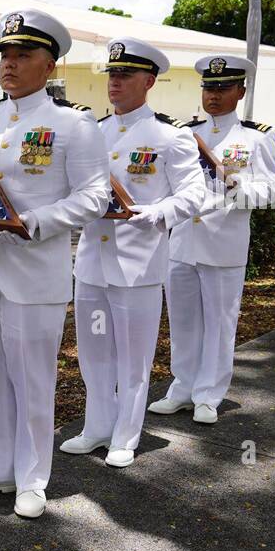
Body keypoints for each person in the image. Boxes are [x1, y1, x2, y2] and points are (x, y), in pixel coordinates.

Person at [0, 10, 109, 518]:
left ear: (50, 64)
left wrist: (35, 221)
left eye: (23, 55)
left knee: (33, 380)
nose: (10, 64)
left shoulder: (72, 123)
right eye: (5, 54)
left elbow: (95, 196)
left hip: (35, 270)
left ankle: (33, 477)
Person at [59, 37, 205, 468]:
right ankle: (96, 427)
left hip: (137, 264)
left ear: (149, 80)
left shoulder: (169, 135)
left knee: (133, 359)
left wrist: (158, 211)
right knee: (94, 352)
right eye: (112, 74)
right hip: (91, 261)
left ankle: (126, 434)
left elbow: (193, 194)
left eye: (125, 75)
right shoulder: (94, 131)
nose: (115, 82)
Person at [149, 54, 275, 424]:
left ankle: (209, 394)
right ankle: (182, 386)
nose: (214, 95)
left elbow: (272, 190)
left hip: (224, 243)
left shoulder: (256, 136)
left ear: (240, 91)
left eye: (223, 87)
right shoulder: (187, 133)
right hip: (183, 242)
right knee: (183, 320)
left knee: (221, 323)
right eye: (209, 87)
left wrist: (236, 184)